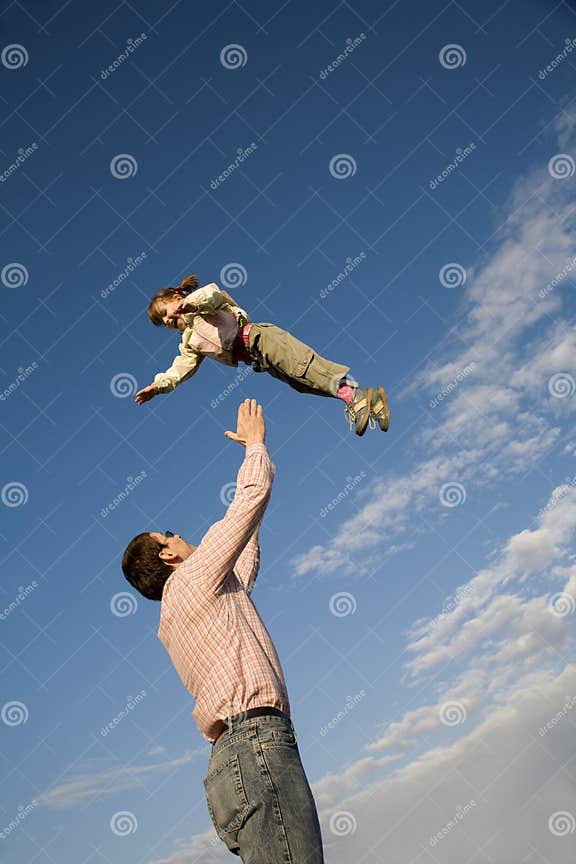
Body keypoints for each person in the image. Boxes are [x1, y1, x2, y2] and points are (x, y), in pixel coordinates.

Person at [121, 399, 325, 862]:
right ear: (167, 557)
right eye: (169, 534)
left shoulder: (177, 617)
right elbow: (247, 500)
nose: (178, 536)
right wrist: (255, 445)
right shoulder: (193, 577)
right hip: (257, 748)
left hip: (228, 764)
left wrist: (247, 523)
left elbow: (243, 563)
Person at [134, 274, 390, 437]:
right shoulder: (189, 342)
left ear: (177, 297)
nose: (169, 320)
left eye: (166, 313)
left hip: (258, 337)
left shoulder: (200, 306)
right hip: (258, 360)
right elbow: (180, 368)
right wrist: (158, 386)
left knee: (303, 367)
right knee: (301, 382)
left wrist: (189, 304)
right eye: (164, 323)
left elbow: (212, 294)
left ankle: (355, 397)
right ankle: (369, 398)